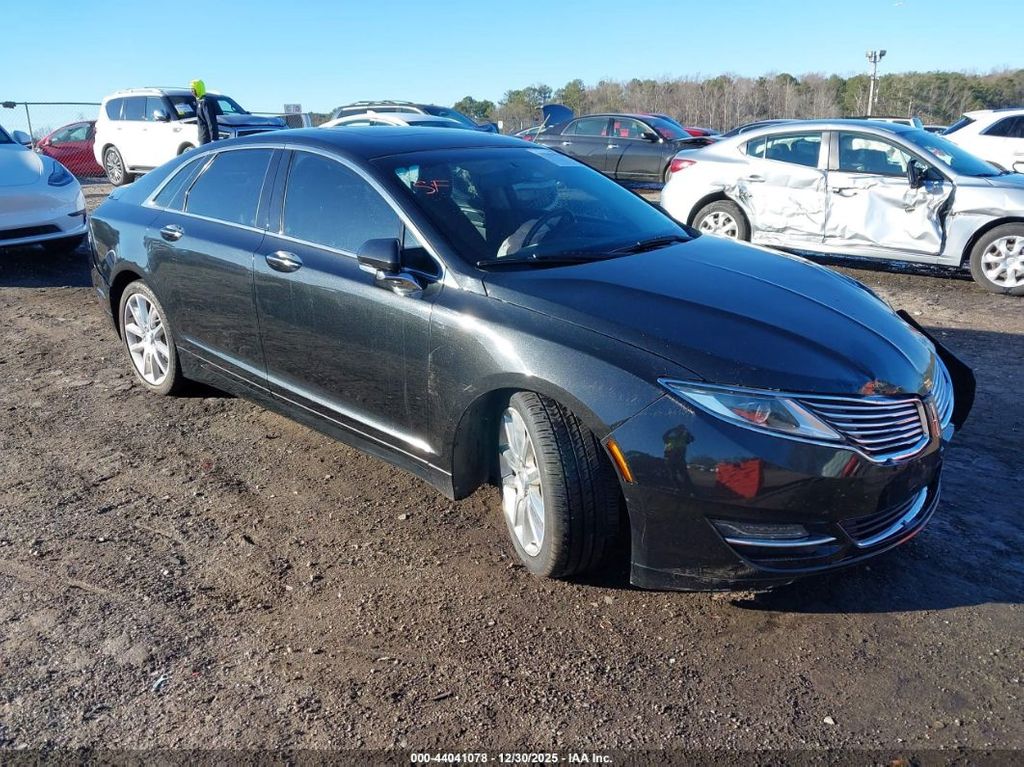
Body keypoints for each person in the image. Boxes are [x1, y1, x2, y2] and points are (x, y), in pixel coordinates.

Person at [190, 79, 218, 146]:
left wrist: (214, 138)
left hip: (207, 138)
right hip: (202, 137)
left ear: (198, 89)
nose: (192, 92)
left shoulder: (205, 102)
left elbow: (210, 121)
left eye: (193, 89)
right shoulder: (198, 102)